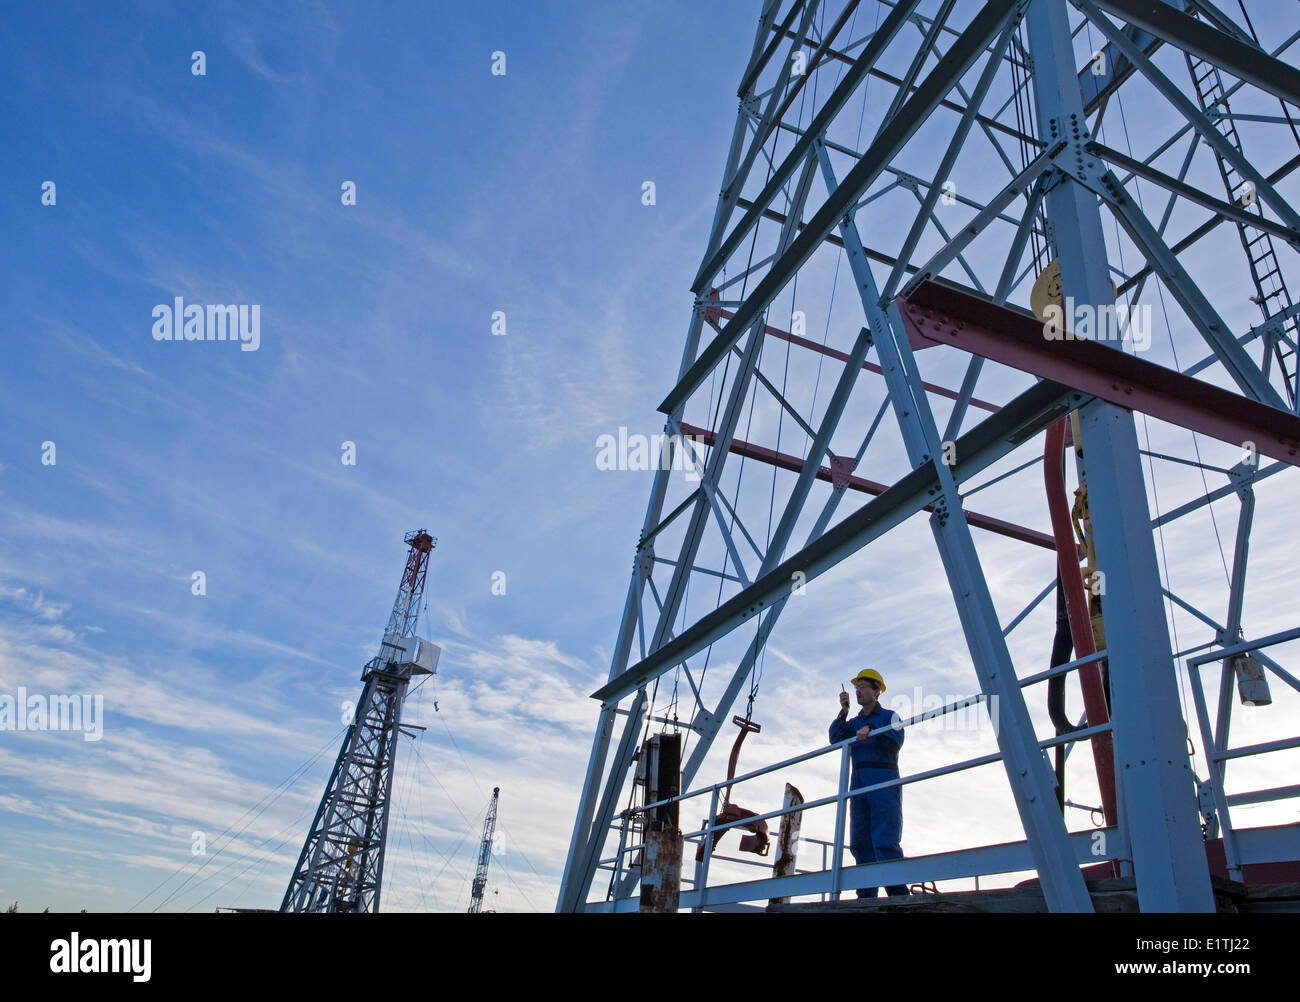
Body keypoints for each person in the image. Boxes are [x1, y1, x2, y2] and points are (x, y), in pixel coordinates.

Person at [829, 668, 909, 898]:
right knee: (860, 840)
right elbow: (835, 738)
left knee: (885, 838)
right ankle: (866, 897)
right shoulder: (854, 721)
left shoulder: (890, 716)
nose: (858, 691)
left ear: (877, 690)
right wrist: (843, 712)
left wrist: (874, 730)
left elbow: (896, 741)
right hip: (858, 781)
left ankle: (898, 895)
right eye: (856, 687)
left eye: (863, 686)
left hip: (883, 778)